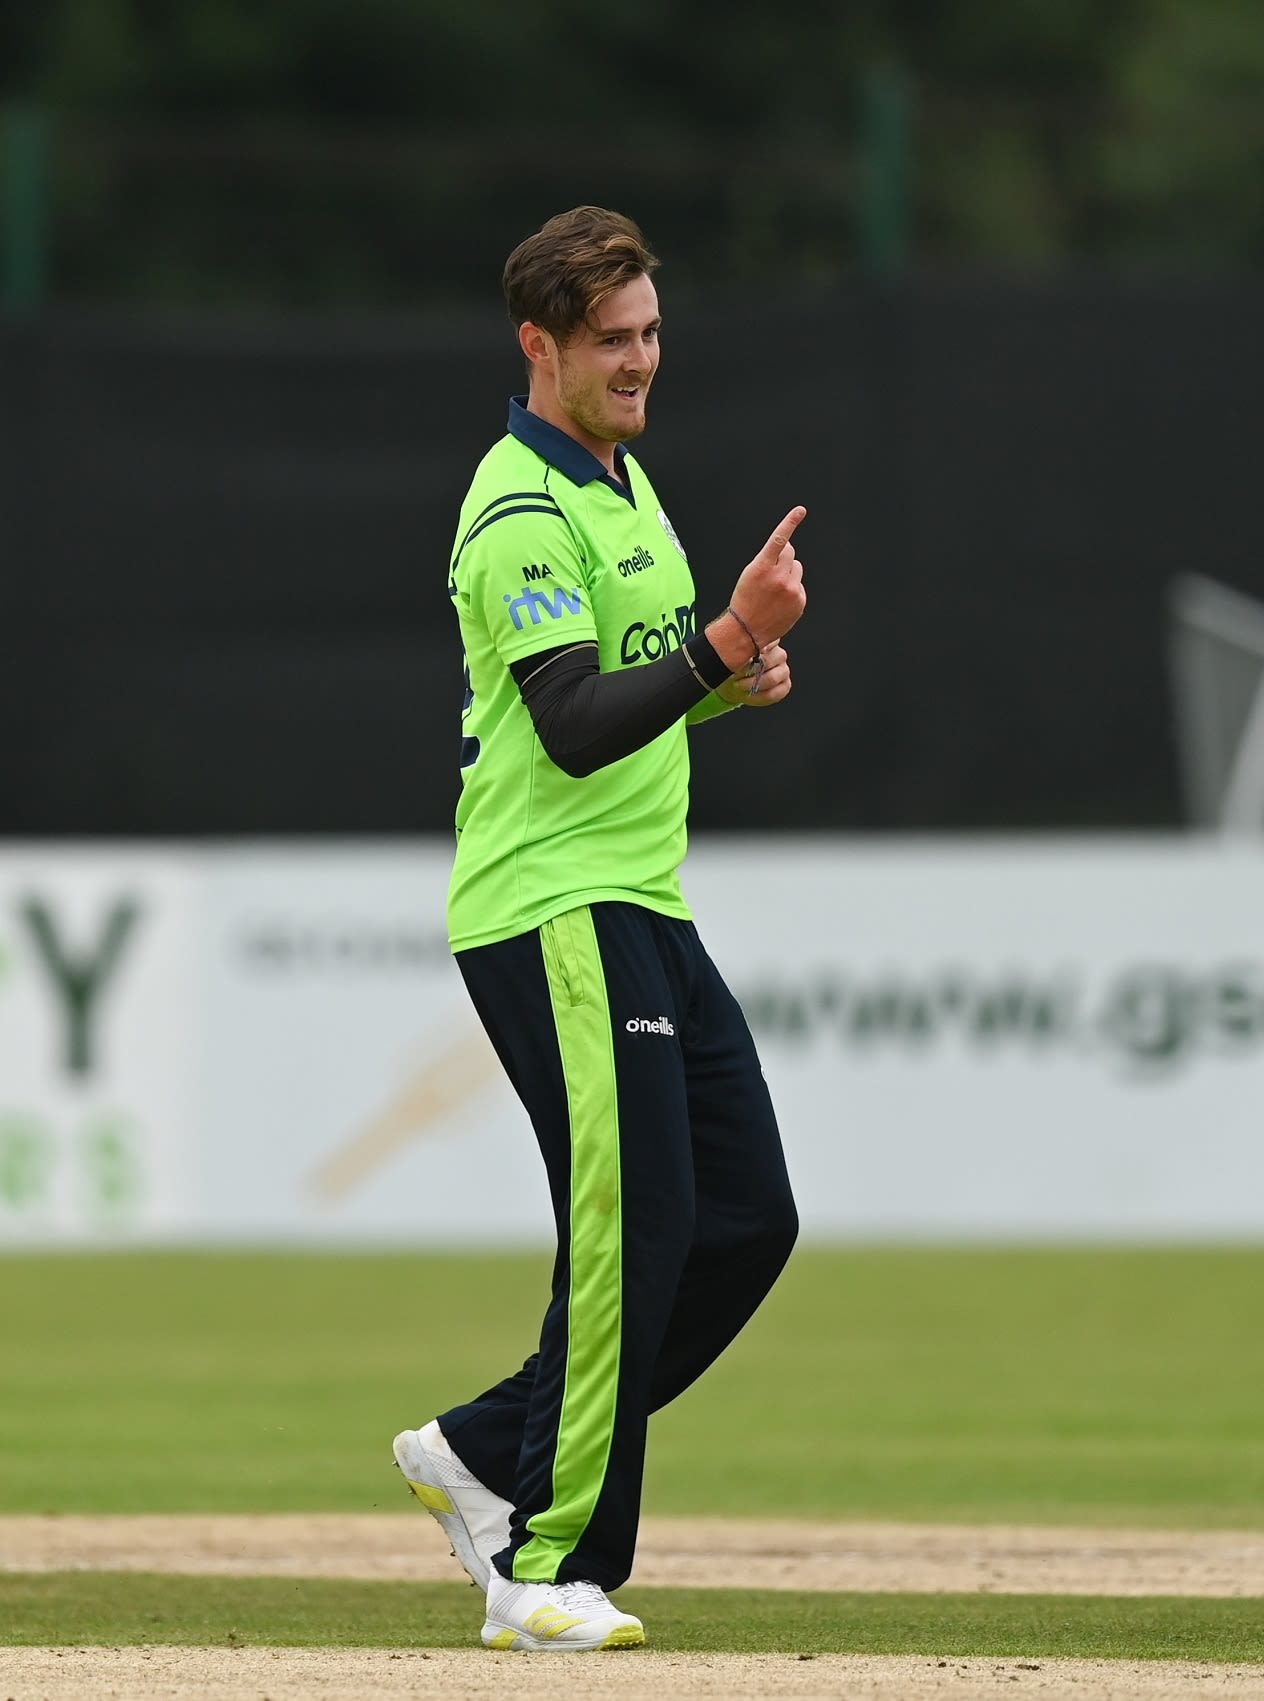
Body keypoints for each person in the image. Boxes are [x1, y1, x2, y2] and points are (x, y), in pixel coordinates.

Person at [392, 205, 806, 1654]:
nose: (639, 363)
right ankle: (543, 1561)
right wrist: (723, 638)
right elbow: (567, 728)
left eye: (648, 335)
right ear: (539, 348)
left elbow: (633, 695)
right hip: (552, 906)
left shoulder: (626, 487)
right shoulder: (518, 508)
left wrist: (722, 675)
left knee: (749, 1221)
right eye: (610, 342)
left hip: (644, 904)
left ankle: (489, 1446)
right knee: (635, 1237)